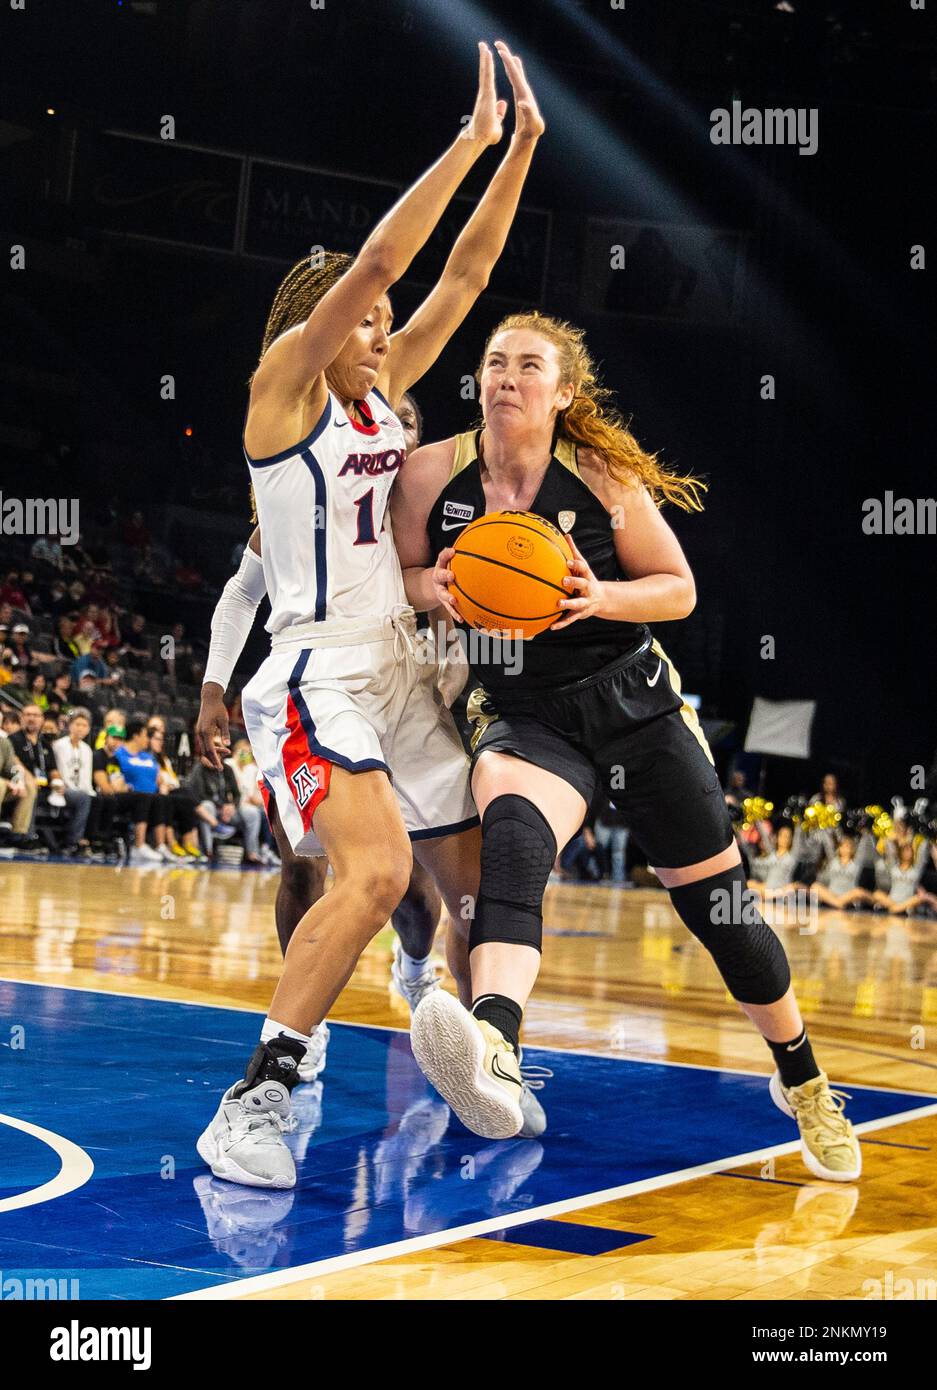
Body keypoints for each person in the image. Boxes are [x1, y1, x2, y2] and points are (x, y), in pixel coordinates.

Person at [392, 306, 862, 1182]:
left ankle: (802, 1080)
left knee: (721, 914)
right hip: (519, 701)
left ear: (562, 393)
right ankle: (493, 1043)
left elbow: (676, 589)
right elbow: (395, 581)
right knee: (516, 843)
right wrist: (434, 585)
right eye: (495, 363)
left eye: (528, 366)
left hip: (632, 704)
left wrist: (597, 596)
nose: (506, 378)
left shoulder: (601, 476)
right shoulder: (428, 476)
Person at [196, 39, 544, 1190]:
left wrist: (522, 155)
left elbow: (459, 278)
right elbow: (394, 253)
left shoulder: (381, 397)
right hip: (312, 676)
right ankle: (260, 1092)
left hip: (399, 663)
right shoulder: (282, 394)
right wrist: (468, 138)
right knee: (375, 871)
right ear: (318, 321)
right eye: (366, 318)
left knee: (475, 886)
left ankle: (466, 1036)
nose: (385, 329)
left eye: (385, 322)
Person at [197, 392, 452, 1082]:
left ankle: (417, 968)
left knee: (408, 888)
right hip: (315, 690)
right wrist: (213, 689)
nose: (384, 425)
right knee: (301, 866)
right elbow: (240, 595)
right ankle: (303, 1023)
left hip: (404, 695)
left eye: (404, 417)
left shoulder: (437, 516)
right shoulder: (305, 503)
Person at [10, 702, 92, 854]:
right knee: (31, 789)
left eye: (35, 715)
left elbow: (53, 769)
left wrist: (58, 782)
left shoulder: (45, 744)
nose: (31, 719)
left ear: (42, 719)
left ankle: (72, 842)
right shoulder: (13, 739)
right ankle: (28, 838)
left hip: (48, 789)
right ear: (21, 718)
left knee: (82, 797)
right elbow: (14, 761)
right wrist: (29, 779)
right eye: (28, 715)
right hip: (22, 785)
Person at [147, 721, 204, 863]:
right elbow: (156, 780)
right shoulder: (146, 757)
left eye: (161, 739)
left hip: (170, 790)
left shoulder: (164, 759)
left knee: (185, 797)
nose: (160, 743)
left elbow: (173, 780)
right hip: (157, 792)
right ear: (148, 739)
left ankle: (188, 844)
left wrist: (169, 785)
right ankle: (172, 843)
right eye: (157, 739)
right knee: (180, 798)